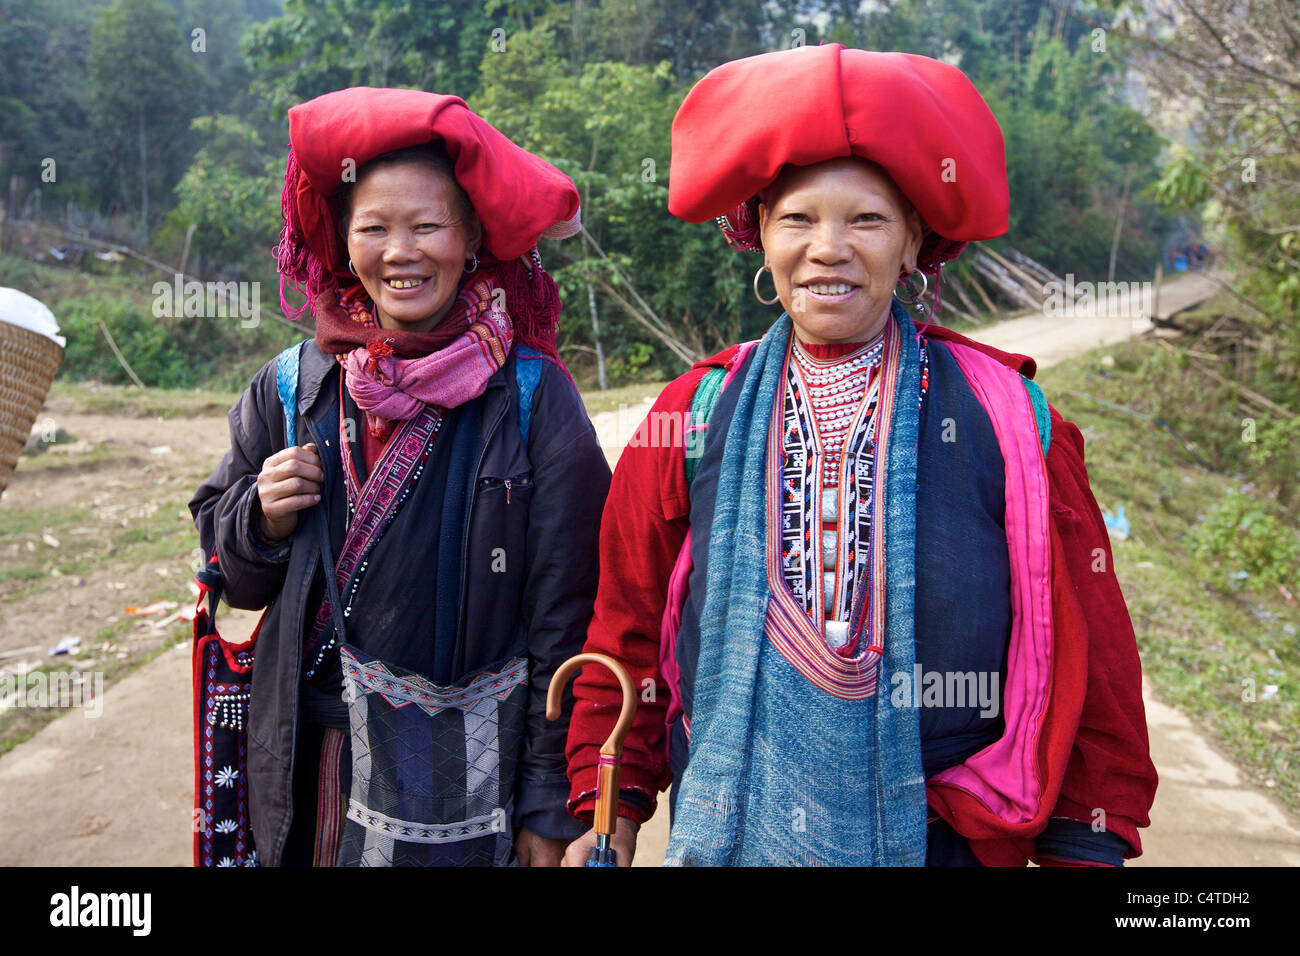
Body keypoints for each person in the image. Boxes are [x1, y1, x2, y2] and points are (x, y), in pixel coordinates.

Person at [562, 45, 1158, 866]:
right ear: (760, 236)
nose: (829, 248)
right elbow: (625, 623)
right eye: (798, 219)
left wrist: (1086, 843)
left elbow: (1093, 661)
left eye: (867, 221)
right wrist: (613, 811)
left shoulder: (1010, 418)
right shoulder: (692, 414)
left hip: (946, 840)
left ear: (914, 243)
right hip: (729, 830)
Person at [189, 87, 609, 867]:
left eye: (427, 226)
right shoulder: (291, 388)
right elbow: (225, 572)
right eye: (374, 228)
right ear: (344, 242)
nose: (400, 252)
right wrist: (259, 520)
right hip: (306, 760)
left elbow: (570, 614)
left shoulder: (532, 397)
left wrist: (552, 801)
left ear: (473, 236)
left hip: (468, 783)